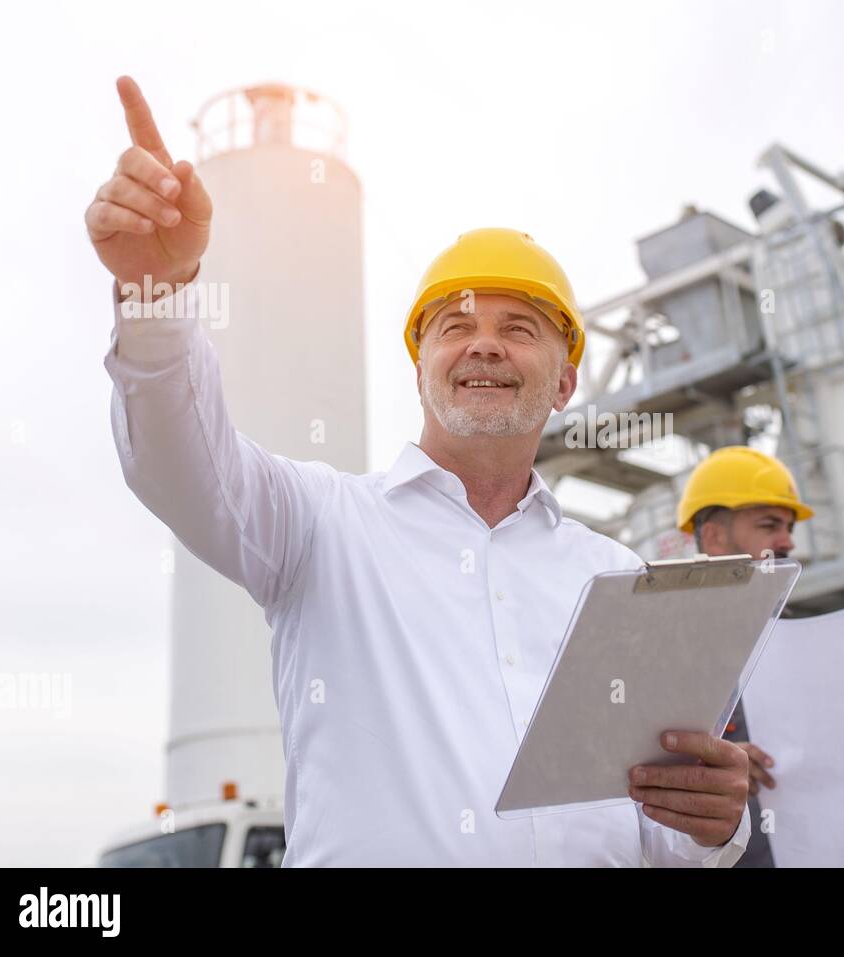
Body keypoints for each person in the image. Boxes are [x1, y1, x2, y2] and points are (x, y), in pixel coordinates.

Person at [88, 76, 750, 866]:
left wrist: (716, 825)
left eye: (519, 327)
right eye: (454, 324)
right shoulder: (319, 526)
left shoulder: (619, 578)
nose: (483, 343)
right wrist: (154, 292)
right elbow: (176, 461)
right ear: (421, 368)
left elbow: (661, 838)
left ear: (565, 380)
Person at [676, 445, 813, 867]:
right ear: (715, 536)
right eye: (770, 524)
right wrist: (714, 766)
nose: (787, 541)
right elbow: (630, 768)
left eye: (788, 527)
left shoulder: (798, 635)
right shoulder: (666, 640)